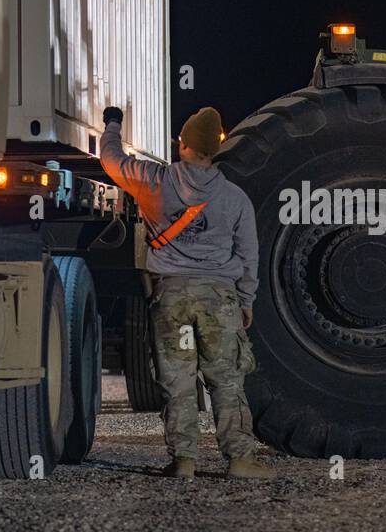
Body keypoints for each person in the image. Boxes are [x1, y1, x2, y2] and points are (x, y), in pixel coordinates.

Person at [100, 104, 272, 480]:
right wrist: (246, 300)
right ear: (214, 150)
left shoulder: (154, 181)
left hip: (172, 298)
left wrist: (113, 123)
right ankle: (240, 460)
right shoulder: (235, 198)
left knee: (177, 380)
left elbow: (111, 160)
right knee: (226, 379)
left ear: (183, 145)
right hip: (219, 299)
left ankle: (184, 462)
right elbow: (248, 253)